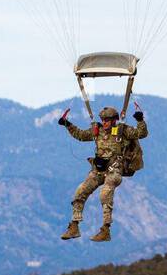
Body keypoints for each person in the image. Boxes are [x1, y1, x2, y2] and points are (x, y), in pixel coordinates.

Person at [58, 104, 147, 242]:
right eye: (103, 120)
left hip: (114, 170)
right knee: (80, 191)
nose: (104, 122)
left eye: (107, 120)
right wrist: (67, 124)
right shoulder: (97, 131)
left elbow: (141, 134)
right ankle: (74, 226)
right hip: (98, 170)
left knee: (105, 193)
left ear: (114, 120)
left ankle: (106, 229)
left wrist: (140, 120)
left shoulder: (122, 131)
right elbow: (81, 135)